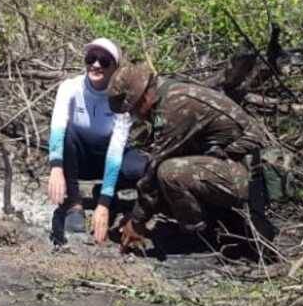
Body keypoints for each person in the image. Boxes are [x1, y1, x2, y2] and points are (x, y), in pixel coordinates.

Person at [105, 61, 275, 254]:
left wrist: (136, 221)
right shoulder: (168, 95)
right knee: (165, 175)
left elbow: (155, 169)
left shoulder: (175, 105)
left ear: (144, 98)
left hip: (250, 178)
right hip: (231, 166)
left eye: (133, 110)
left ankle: (199, 236)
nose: (135, 116)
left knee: (169, 172)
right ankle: (220, 221)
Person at [47, 38, 147, 246]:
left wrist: (104, 204)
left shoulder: (121, 99)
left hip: (107, 158)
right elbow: (58, 125)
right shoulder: (70, 87)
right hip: (78, 157)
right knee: (67, 134)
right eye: (91, 58)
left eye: (104, 61)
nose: (96, 65)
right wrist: (56, 167)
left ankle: (105, 192)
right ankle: (75, 203)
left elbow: (116, 149)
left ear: (115, 68)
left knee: (140, 167)